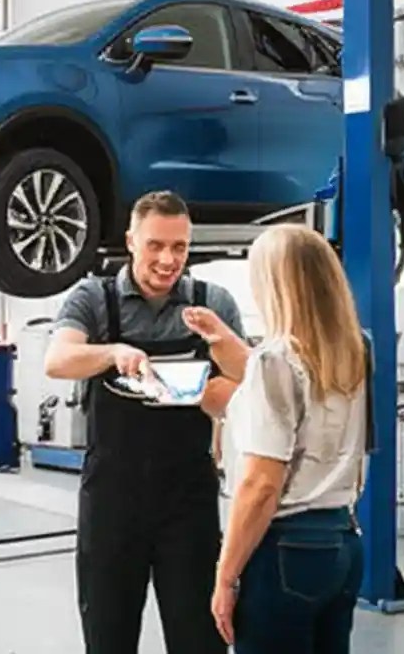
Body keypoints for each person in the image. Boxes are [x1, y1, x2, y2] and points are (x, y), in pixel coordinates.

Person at [45, 190, 244, 653]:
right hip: (113, 502)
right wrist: (113, 352)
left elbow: (250, 386)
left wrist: (204, 390)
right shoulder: (94, 299)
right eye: (156, 245)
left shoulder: (211, 303)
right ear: (132, 241)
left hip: (188, 503)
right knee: (108, 637)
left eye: (179, 247)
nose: (168, 259)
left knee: (200, 638)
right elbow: (58, 359)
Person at [180, 223, 370, 654]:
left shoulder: (273, 359)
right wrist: (224, 343)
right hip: (341, 542)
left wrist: (225, 576)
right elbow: (297, 394)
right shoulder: (355, 351)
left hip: (284, 549)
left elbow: (262, 484)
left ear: (277, 285)